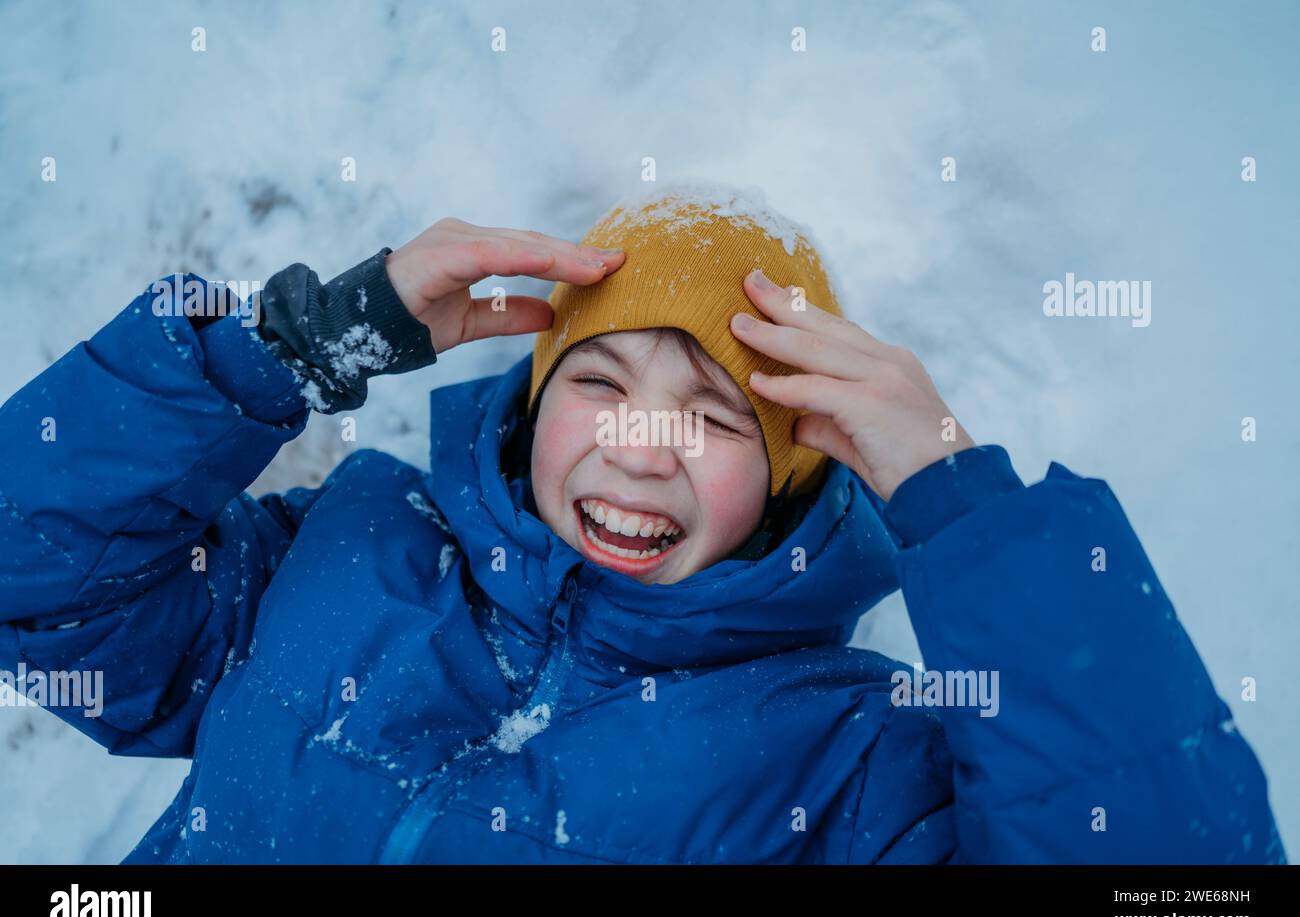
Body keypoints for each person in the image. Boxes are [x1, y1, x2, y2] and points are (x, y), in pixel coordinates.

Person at [0, 184, 1284, 863]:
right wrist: (294, 345)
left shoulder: (849, 764)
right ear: (533, 402)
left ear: (791, 474)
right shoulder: (346, 548)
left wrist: (966, 510)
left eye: (719, 419)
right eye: (600, 384)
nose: (641, 441)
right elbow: (31, 576)